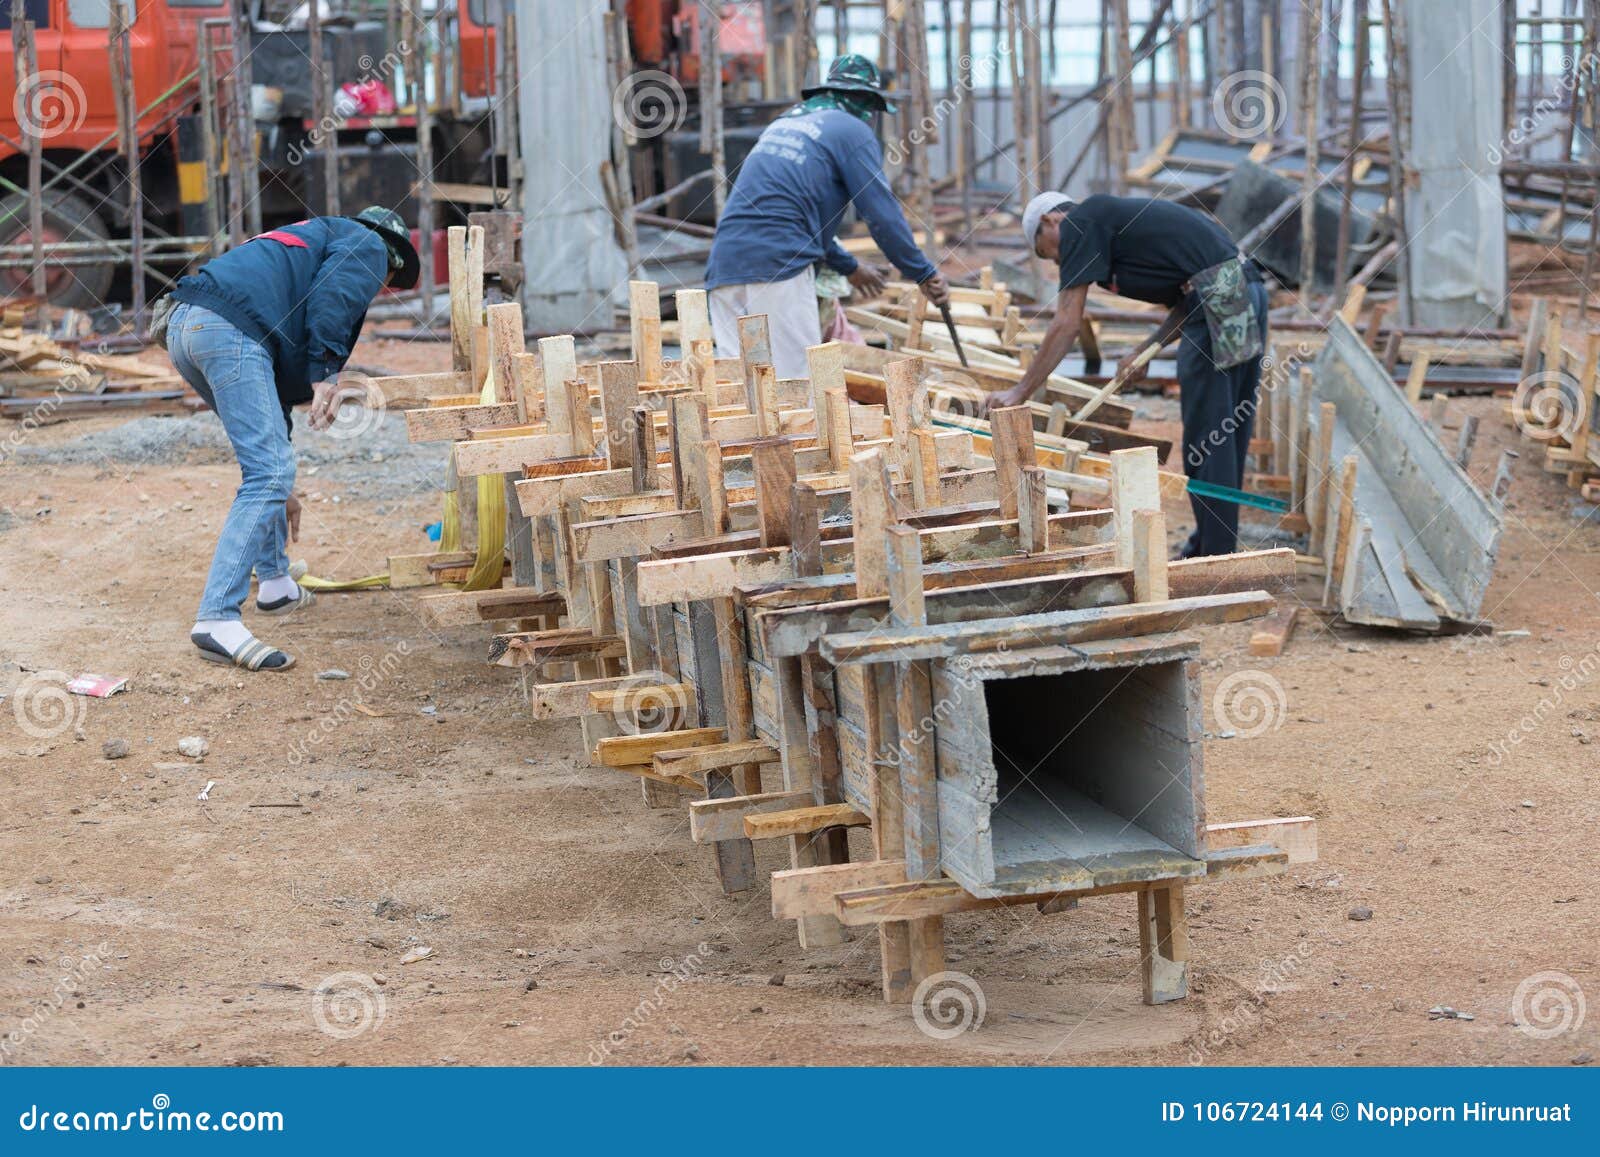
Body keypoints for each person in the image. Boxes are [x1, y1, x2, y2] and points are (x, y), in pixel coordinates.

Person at [157, 207, 420, 671]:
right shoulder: (369, 243)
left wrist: (285, 489)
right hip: (228, 331)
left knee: (270, 468)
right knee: (269, 472)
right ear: (391, 261)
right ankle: (216, 618)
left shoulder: (302, 246)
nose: (378, 292)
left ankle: (275, 582)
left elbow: (274, 392)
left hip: (188, 326)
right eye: (385, 285)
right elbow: (337, 293)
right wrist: (325, 373)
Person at [983, 192, 1269, 558]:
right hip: (1242, 293)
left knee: (1209, 437)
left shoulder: (1079, 224)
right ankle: (1211, 546)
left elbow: (1068, 321)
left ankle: (1216, 557)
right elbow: (1190, 297)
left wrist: (1019, 392)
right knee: (1222, 435)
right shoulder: (1109, 233)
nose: (1057, 260)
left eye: (1046, 252)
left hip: (1223, 301)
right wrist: (1145, 348)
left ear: (1050, 221)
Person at [703, 54, 950, 377]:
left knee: (736, 390)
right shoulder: (852, 130)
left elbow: (793, 218)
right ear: (866, 103)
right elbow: (882, 216)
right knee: (798, 390)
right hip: (779, 270)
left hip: (725, 267)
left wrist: (849, 266)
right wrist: (923, 273)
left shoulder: (785, 123)